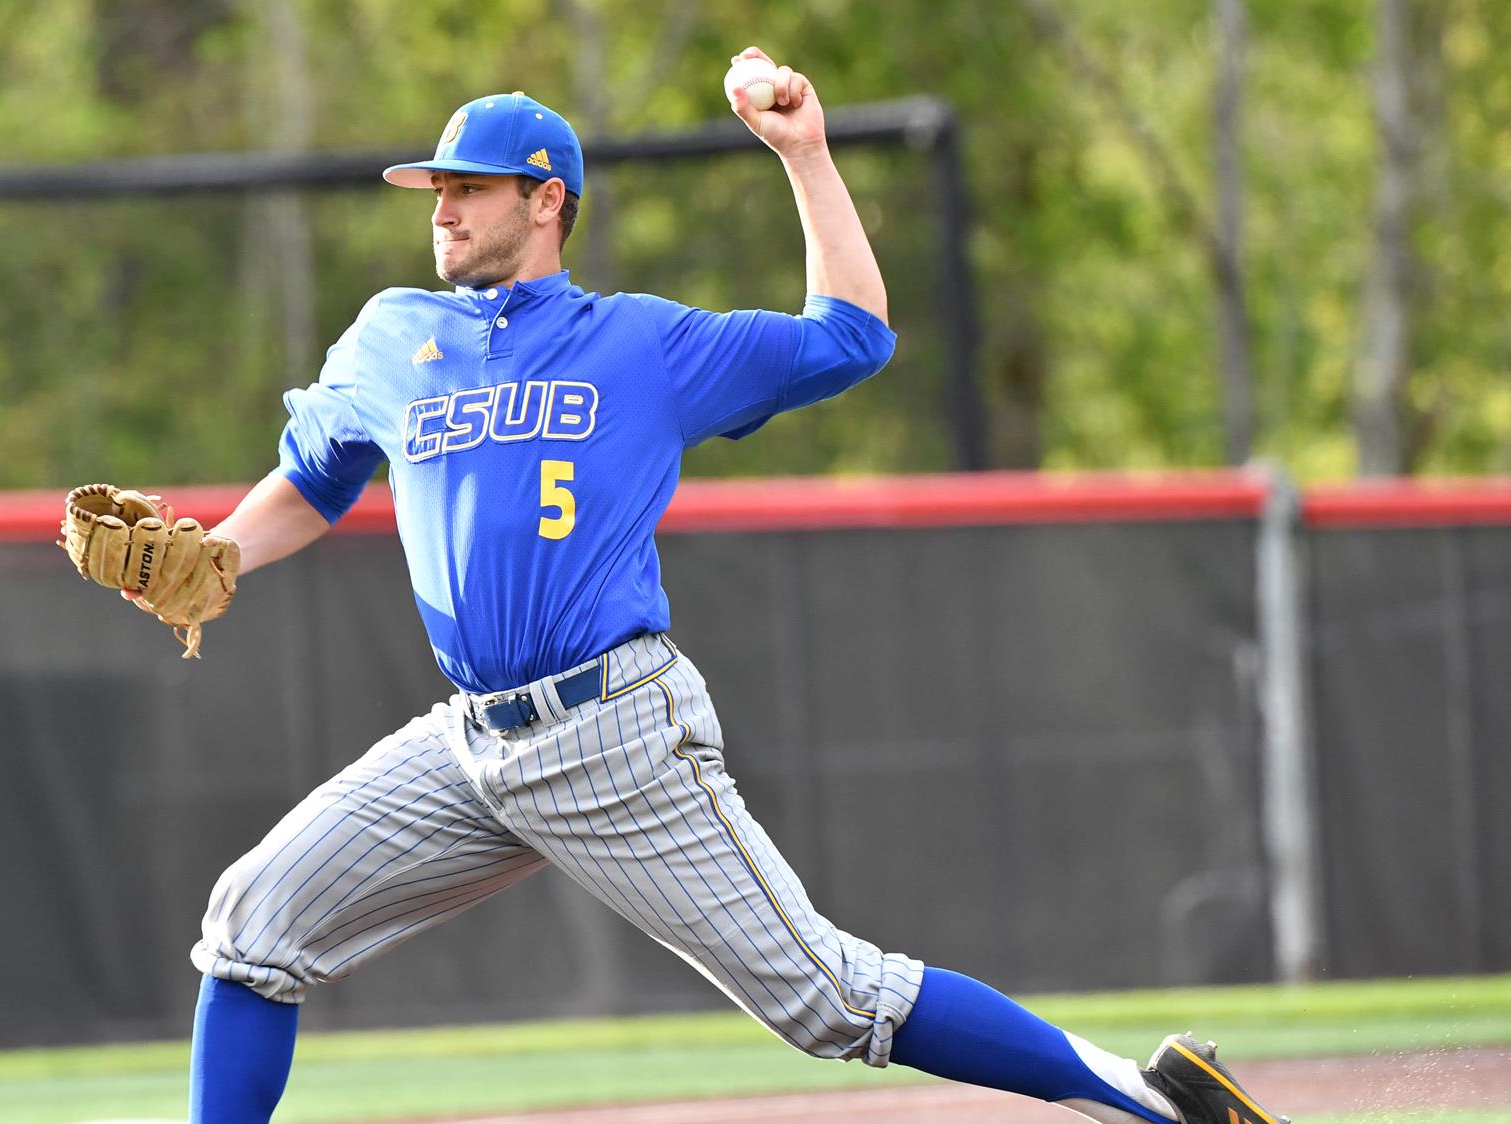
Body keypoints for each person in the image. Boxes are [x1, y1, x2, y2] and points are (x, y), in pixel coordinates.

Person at [80, 48, 1287, 1124]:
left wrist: (804, 154)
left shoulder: (640, 342)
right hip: (466, 743)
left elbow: (852, 334)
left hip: (609, 733)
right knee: (252, 928)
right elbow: (314, 477)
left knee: (828, 997)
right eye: (435, 187)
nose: (440, 207)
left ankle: (1156, 1103)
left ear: (544, 200)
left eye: (469, 186)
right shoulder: (391, 335)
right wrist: (219, 553)